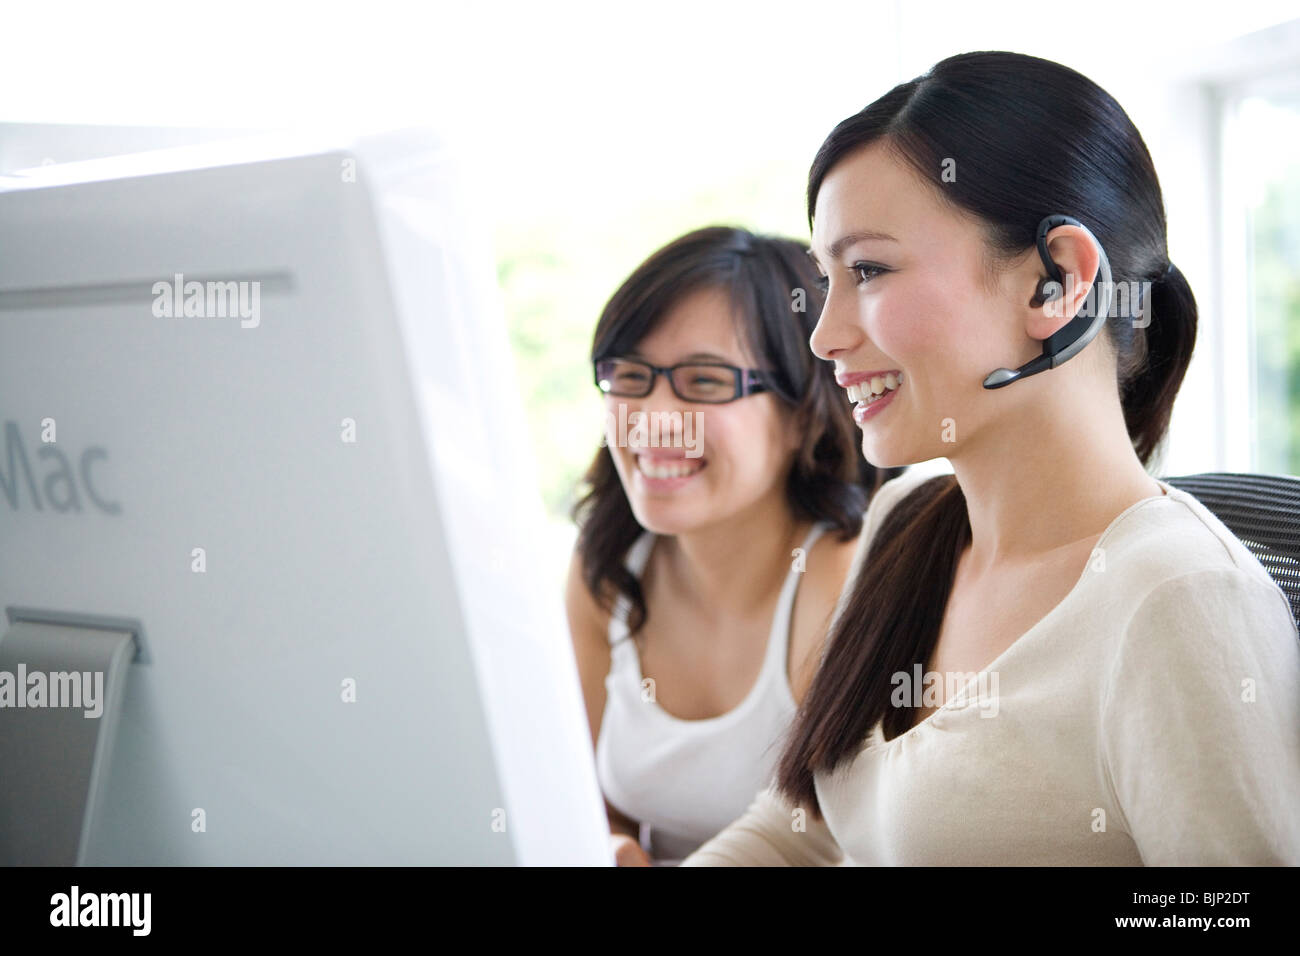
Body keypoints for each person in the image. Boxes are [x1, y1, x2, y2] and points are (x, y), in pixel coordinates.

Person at [682, 52, 1300, 866]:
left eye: (867, 269)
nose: (824, 337)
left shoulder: (1177, 601)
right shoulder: (909, 524)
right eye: (825, 280)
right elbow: (793, 832)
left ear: (1056, 282)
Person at [565, 226, 901, 865]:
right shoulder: (602, 572)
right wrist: (610, 845)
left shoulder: (845, 579)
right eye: (630, 376)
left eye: (705, 381)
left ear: (803, 409)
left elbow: (850, 844)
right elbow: (584, 799)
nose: (653, 418)